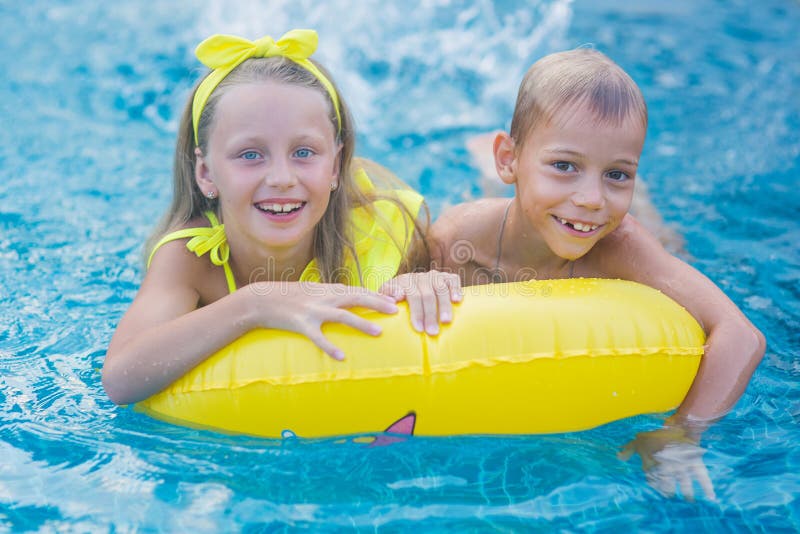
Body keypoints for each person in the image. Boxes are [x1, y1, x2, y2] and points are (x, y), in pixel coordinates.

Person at [429, 47, 765, 500]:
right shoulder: (455, 240)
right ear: (508, 158)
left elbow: (742, 336)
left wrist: (682, 435)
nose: (591, 197)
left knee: (663, 240)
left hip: (620, 239)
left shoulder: (619, 247)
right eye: (564, 166)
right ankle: (501, 161)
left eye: (617, 174)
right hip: (509, 208)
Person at [102, 30, 460, 407]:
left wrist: (424, 282)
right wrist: (256, 303)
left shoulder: (377, 231)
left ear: (336, 165)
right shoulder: (191, 257)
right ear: (205, 173)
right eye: (250, 155)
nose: (282, 178)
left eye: (303, 152)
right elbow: (121, 378)